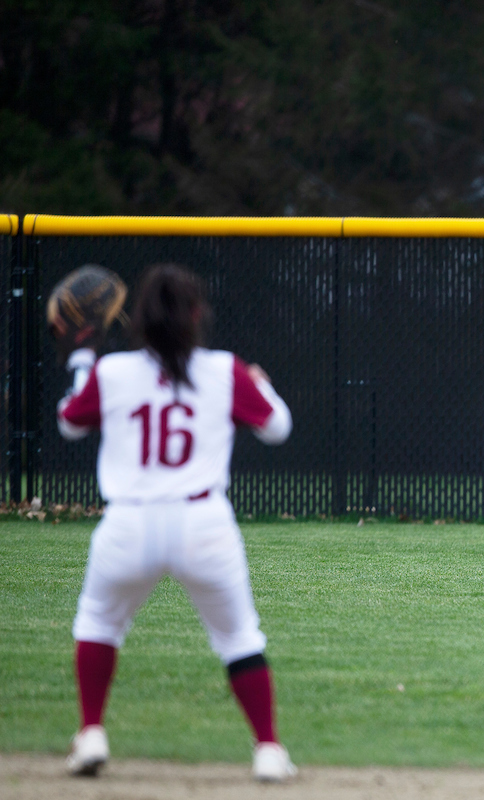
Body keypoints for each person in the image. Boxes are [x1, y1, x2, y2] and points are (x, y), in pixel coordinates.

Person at [56, 263, 298, 781]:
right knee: (239, 638)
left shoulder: (113, 372)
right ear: (196, 315)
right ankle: (269, 750)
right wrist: (263, 386)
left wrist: (81, 360)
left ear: (138, 318)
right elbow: (277, 429)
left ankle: (92, 732)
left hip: (129, 522)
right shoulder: (224, 370)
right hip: (202, 522)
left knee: (98, 624)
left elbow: (70, 422)